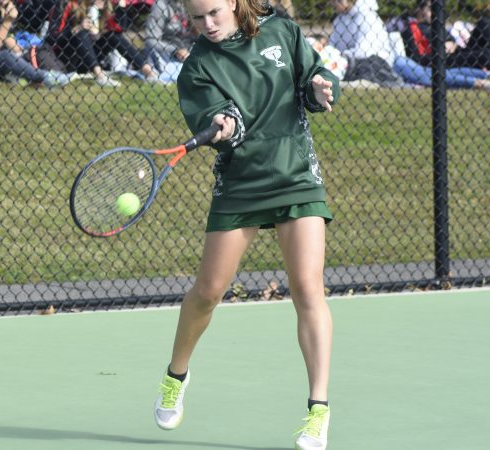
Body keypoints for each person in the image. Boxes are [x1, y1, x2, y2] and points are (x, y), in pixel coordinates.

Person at [153, 1, 339, 449]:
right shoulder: (196, 67)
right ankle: (175, 375)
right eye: (197, 19)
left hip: (296, 176)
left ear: (235, 3)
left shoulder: (282, 32)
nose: (207, 25)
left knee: (308, 288)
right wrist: (222, 123)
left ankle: (318, 411)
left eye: (214, 12)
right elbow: (215, 117)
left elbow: (317, 78)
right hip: (241, 184)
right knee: (208, 292)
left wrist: (319, 88)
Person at [0, 0, 71, 87]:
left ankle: (47, 74)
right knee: (6, 56)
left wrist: (23, 52)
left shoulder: (2, 10)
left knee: (25, 51)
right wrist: (8, 21)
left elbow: (6, 38)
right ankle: (45, 77)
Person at [55, 0, 160, 86]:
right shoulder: (72, 5)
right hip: (70, 58)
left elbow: (121, 29)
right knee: (82, 34)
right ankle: (100, 76)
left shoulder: (104, 9)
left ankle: (148, 72)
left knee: (112, 36)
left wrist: (121, 8)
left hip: (91, 59)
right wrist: (77, 28)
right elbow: (55, 37)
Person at [393, 0, 490, 71]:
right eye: (431, 9)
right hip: (440, 59)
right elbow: (416, 59)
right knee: (485, 54)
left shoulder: (436, 24)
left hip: (457, 53)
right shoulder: (411, 28)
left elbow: (451, 41)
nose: (435, 12)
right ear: (421, 10)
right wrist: (439, 50)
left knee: (484, 23)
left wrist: (454, 44)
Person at [328, 0, 403, 86]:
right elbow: (332, 47)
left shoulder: (368, 17)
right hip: (347, 62)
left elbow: (364, 52)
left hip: (376, 64)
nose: (332, 3)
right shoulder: (338, 20)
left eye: (336, 0)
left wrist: (340, 55)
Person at [144, 0, 198, 82]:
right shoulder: (160, 5)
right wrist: (175, 51)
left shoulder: (186, 4)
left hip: (187, 47)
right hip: (166, 51)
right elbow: (151, 40)